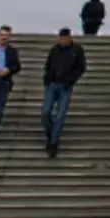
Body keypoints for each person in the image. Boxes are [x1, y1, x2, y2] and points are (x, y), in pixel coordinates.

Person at [42, 28, 86, 157]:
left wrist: (71, 80)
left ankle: (53, 143)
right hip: (52, 84)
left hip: (65, 86)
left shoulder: (77, 50)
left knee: (61, 114)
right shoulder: (55, 50)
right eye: (61, 38)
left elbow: (81, 67)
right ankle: (51, 133)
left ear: (70, 38)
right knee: (45, 112)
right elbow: (48, 65)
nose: (62, 40)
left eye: (65, 38)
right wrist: (47, 78)